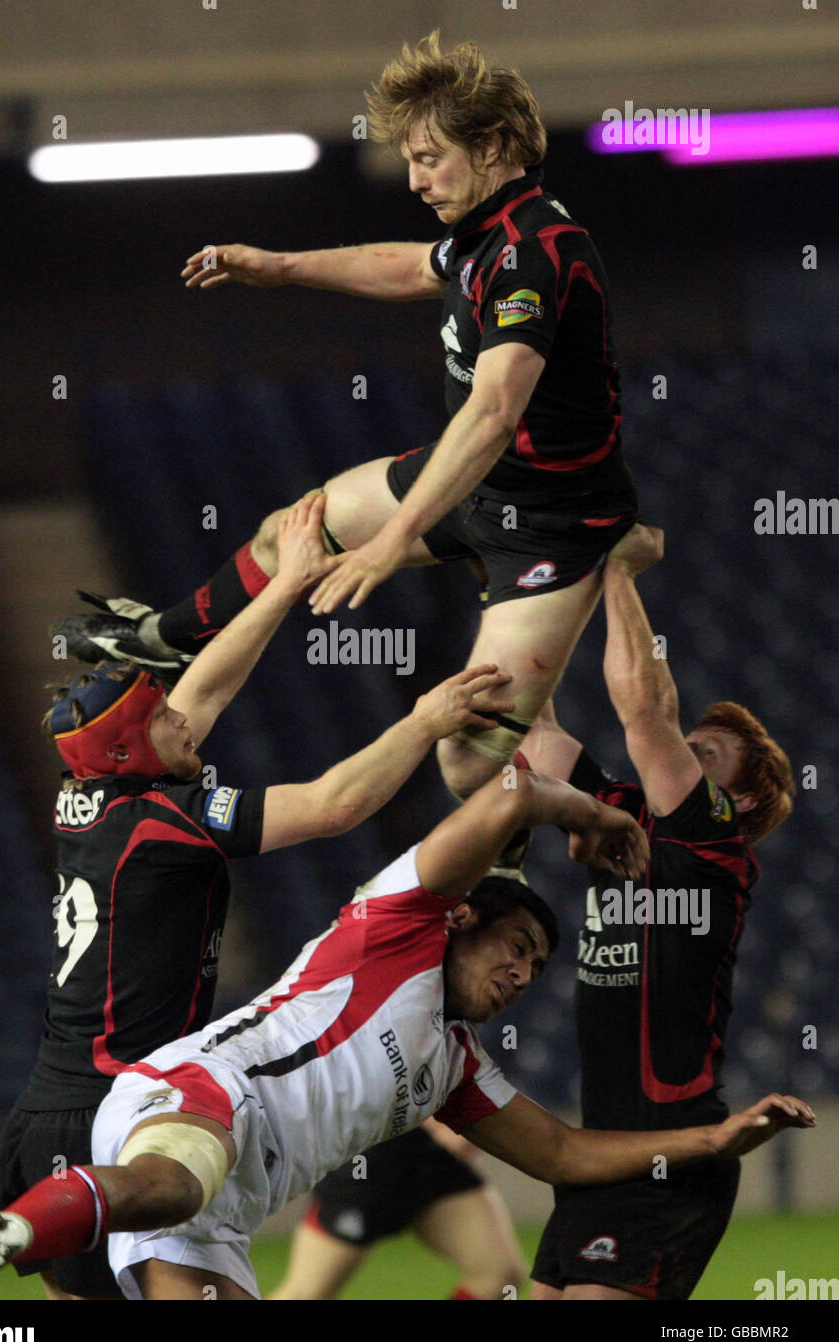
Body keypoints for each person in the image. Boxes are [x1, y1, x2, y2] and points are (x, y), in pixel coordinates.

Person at [0, 760, 813, 1302]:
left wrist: (716, 1139)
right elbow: (505, 793)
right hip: (202, 1099)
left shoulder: (453, 1063)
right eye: (518, 946)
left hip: (234, 1209)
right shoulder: (397, 927)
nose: (523, 976)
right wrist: (595, 815)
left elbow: (565, 1156)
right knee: (170, 1186)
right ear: (462, 920)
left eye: (537, 970)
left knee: (189, 1199)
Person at [55, 31, 636, 813]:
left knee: (469, 766)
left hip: (550, 526)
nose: (414, 179)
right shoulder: (481, 233)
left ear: (492, 144)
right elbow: (407, 265)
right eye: (408, 161)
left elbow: (496, 411)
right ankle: (165, 637)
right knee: (288, 533)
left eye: (428, 158)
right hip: (478, 486)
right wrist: (279, 267)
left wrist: (393, 542)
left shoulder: (534, 252)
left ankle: (624, 815)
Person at [0, 495, 514, 1301]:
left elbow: (199, 698)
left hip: (47, 1115)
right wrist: (422, 721)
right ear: (134, 746)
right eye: (158, 715)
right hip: (119, 1116)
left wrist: (284, 585)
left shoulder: (100, 795)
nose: (179, 713)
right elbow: (336, 804)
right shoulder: (167, 817)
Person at [518, 523, 797, 1301]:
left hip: (667, 1161)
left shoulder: (715, 842)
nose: (680, 754)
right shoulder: (626, 824)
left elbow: (647, 712)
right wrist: (532, 588)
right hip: (598, 1155)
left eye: (703, 756)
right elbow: (533, 735)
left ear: (733, 801)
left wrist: (618, 573)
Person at [269, 1119, 526, 1301]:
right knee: (305, 1294)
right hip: (371, 1156)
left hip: (432, 1158)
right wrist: (439, 1118)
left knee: (501, 1276)